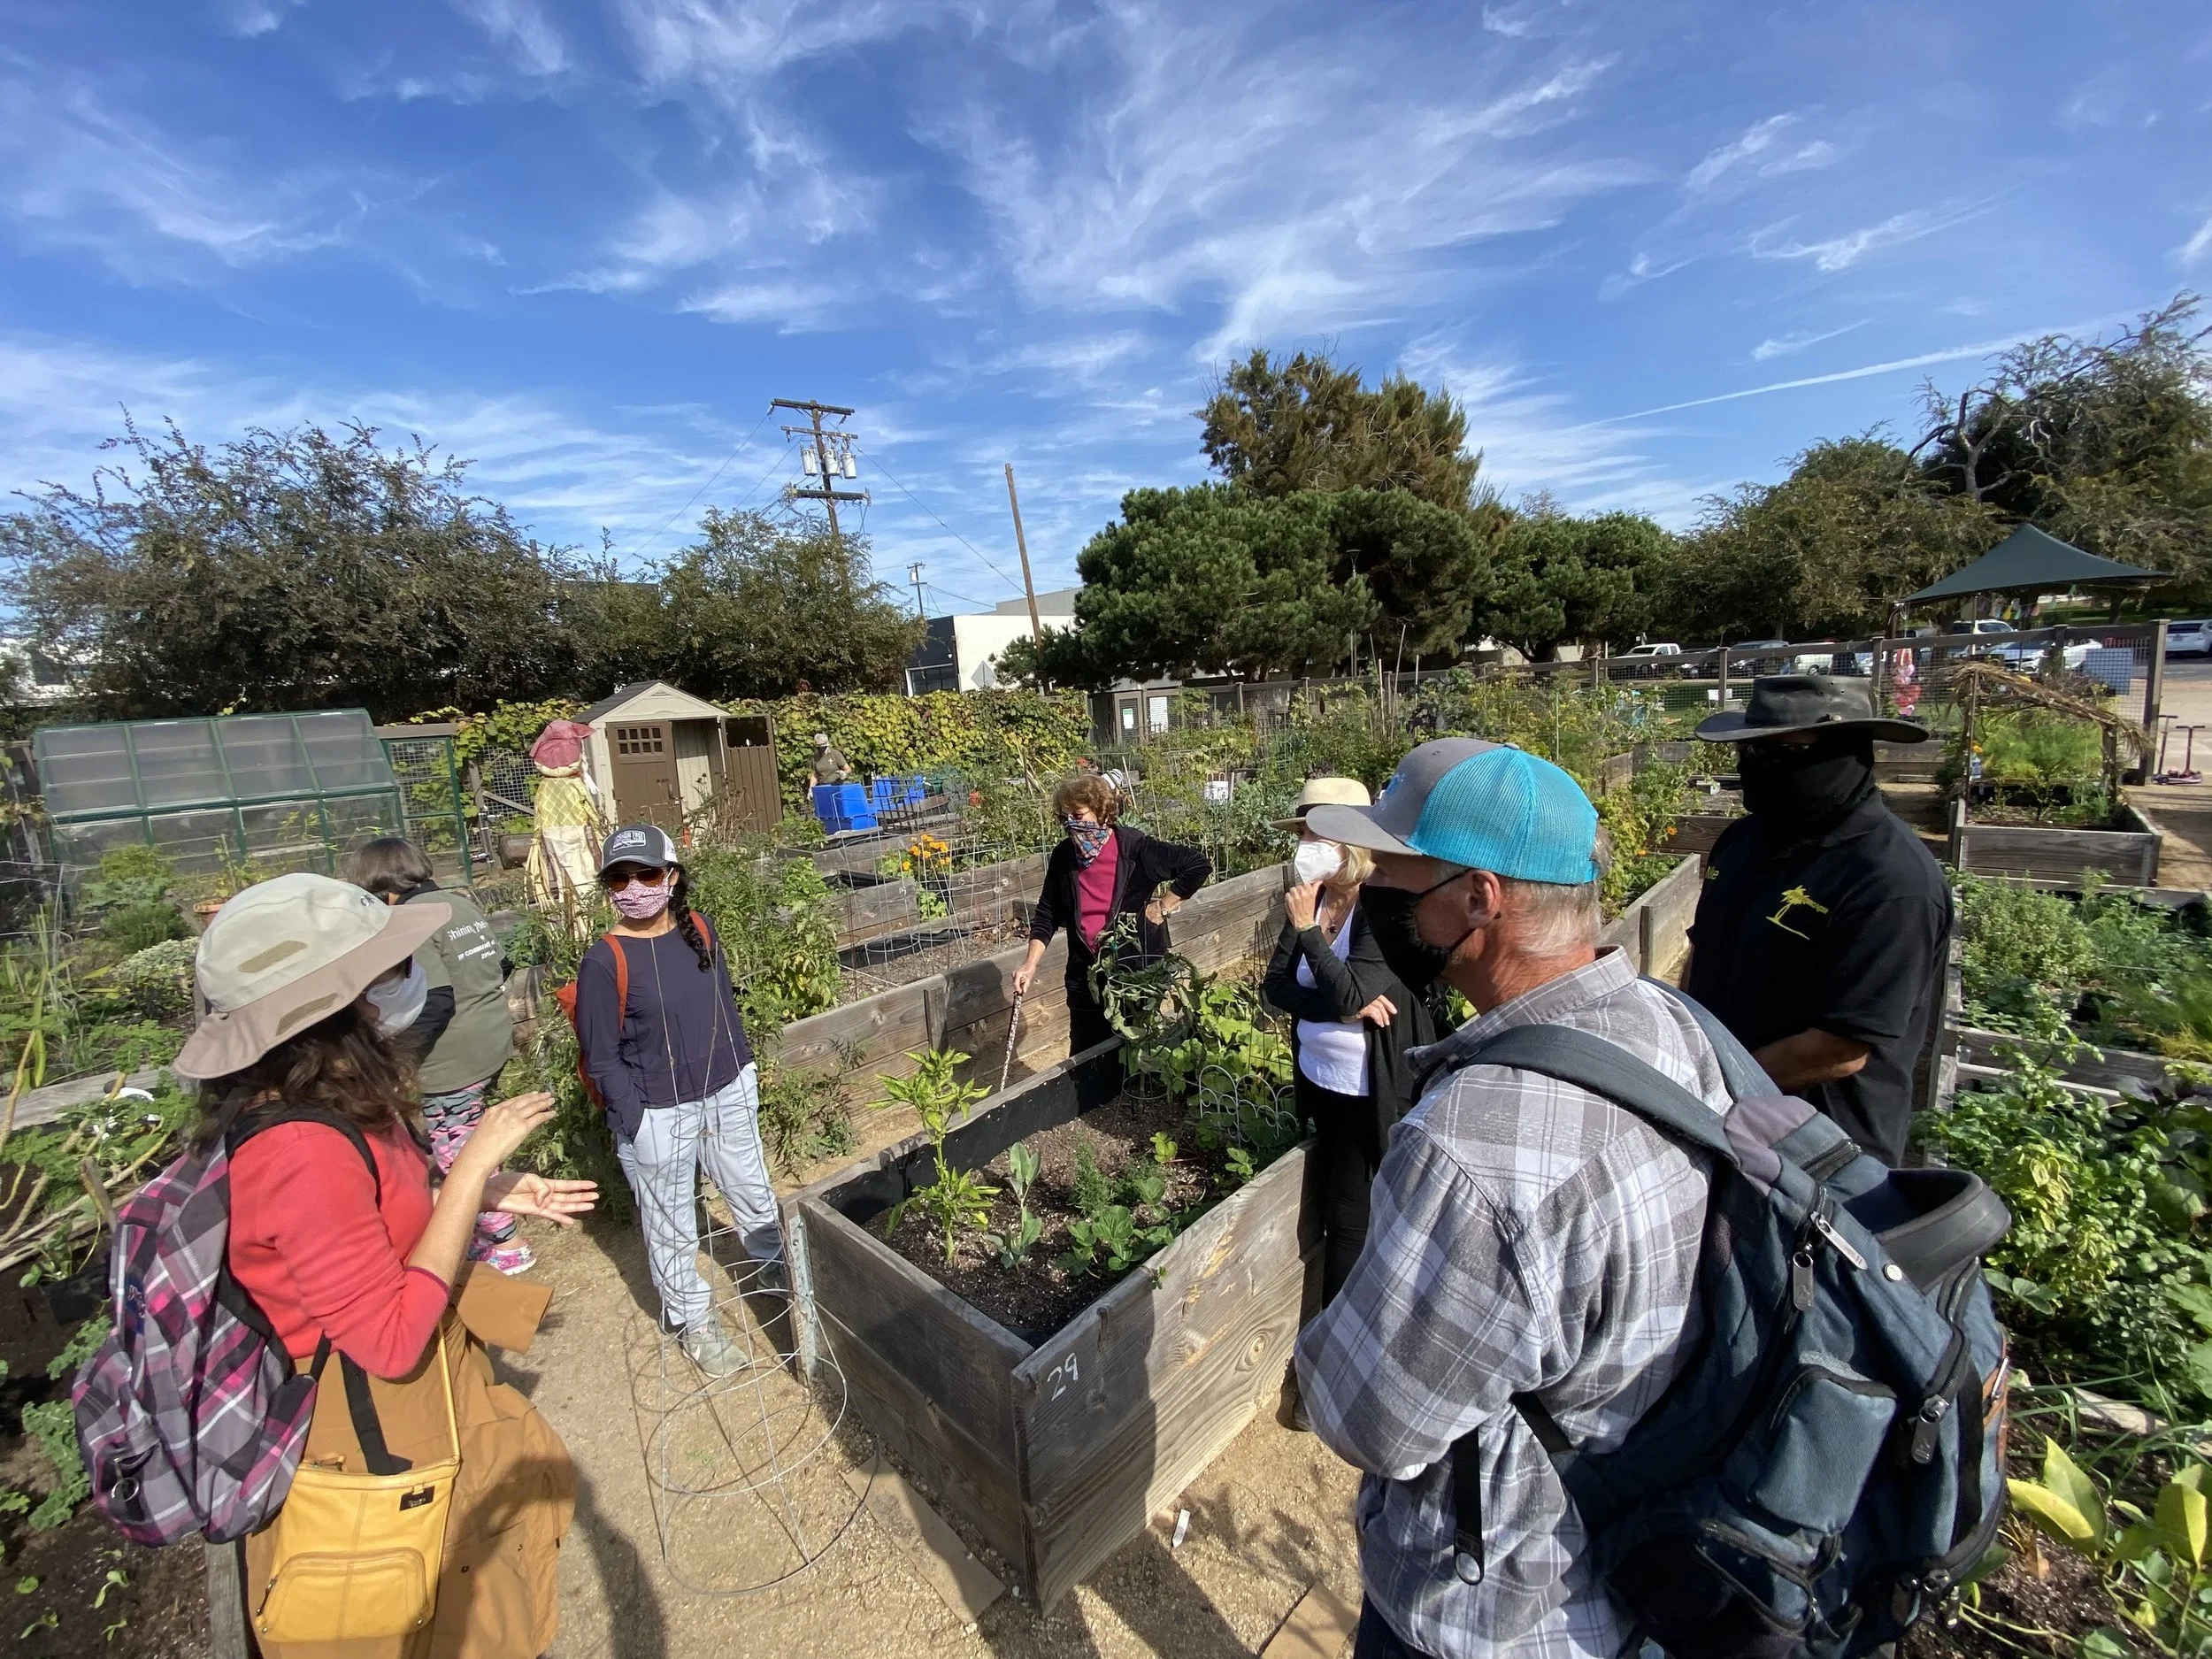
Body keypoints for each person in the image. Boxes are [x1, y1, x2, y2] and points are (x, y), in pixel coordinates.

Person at [1294, 738, 1731, 1659]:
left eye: (1398, 875)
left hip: (1501, 1608)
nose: (1378, 892)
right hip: (1642, 1534)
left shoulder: (1478, 1147)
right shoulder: (1675, 1026)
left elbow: (1366, 1416)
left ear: (1476, 899)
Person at [173, 873, 595, 1659]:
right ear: (329, 1010)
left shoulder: (332, 1104)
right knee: (434, 1611)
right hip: (371, 1438)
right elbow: (391, 1337)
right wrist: (470, 1170)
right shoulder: (299, 1150)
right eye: (380, 974)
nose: (399, 987)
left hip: (414, 1405)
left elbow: (375, 1217)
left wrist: (485, 1188)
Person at [1686, 674, 1951, 1165]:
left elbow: (1839, 1049)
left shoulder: (1892, 883)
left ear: (1845, 753)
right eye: (1751, 753)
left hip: (1819, 1151)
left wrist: (1715, 1088)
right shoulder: (1744, 840)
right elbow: (1705, 950)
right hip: (1723, 1120)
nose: (1757, 768)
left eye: (1780, 753)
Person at [573, 823, 785, 1378]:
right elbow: (601, 1056)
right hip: (658, 1112)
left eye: (646, 874)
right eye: (620, 878)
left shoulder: (699, 928)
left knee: (752, 1190)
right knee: (671, 1224)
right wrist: (635, 1122)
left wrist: (742, 1070)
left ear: (671, 877)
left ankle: (773, 1269)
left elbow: (720, 1008)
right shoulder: (605, 961)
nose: (634, 887)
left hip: (726, 1094)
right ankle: (696, 1322)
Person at [1260, 778, 1433, 1309]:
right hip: (1322, 1078)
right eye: (1305, 836)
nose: (1305, 849)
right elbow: (1276, 986)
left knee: (1349, 1216)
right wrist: (1342, 1007)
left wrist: (1312, 940)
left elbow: (1352, 985)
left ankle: (1340, 1329)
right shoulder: (1311, 900)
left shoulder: (1382, 907)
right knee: (1349, 1199)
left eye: (1318, 837)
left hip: (1372, 1086)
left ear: (1351, 843)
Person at [346, 837, 533, 1275]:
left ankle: (506, 1243)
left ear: (380, 889)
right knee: (471, 1134)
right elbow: (501, 966)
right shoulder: (458, 904)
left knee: (459, 1152)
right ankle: (486, 1218)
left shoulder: (411, 921)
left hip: (452, 1058)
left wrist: (397, 1059)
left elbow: (436, 1000)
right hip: (490, 1037)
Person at [1010, 773, 1210, 1054]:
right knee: (1084, 1051)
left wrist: (1162, 906)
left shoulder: (1135, 849)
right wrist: (1030, 964)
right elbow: (1048, 912)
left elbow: (1197, 865)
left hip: (1134, 972)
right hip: (1084, 973)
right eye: (1065, 817)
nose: (1072, 824)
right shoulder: (1064, 855)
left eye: (1078, 814)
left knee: (1134, 1047)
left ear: (1101, 810)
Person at [529, 718, 604, 904]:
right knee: (582, 868)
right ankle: (585, 905)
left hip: (550, 833)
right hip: (575, 828)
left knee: (560, 868)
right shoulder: (573, 784)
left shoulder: (545, 785)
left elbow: (539, 812)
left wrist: (537, 837)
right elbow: (588, 806)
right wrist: (597, 827)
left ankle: (567, 903)